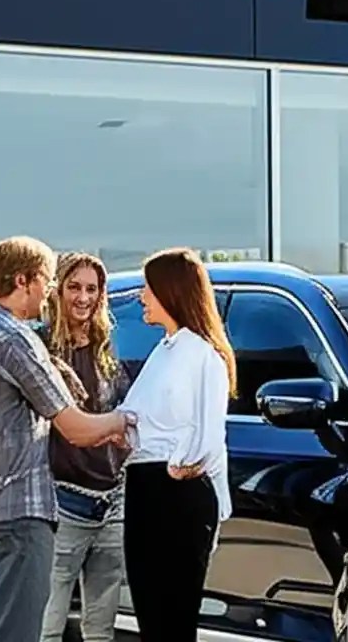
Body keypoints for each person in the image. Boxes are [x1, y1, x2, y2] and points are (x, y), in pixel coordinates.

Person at [0, 236, 135, 642]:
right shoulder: (15, 339)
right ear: (23, 280)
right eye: (50, 280)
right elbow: (73, 427)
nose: (52, 291)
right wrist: (126, 420)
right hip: (17, 514)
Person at [119, 247, 235, 641]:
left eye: (148, 288)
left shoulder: (204, 355)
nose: (142, 297)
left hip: (175, 491)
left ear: (170, 291)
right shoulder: (163, 351)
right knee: (150, 616)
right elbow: (132, 416)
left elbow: (210, 430)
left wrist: (179, 467)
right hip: (144, 488)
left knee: (173, 618)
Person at [39, 253, 132, 642]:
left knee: (101, 627)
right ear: (58, 291)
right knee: (47, 622)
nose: (83, 297)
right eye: (74, 287)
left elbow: (122, 414)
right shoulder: (40, 347)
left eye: (91, 289)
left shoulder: (104, 349)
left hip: (113, 501)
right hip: (64, 500)